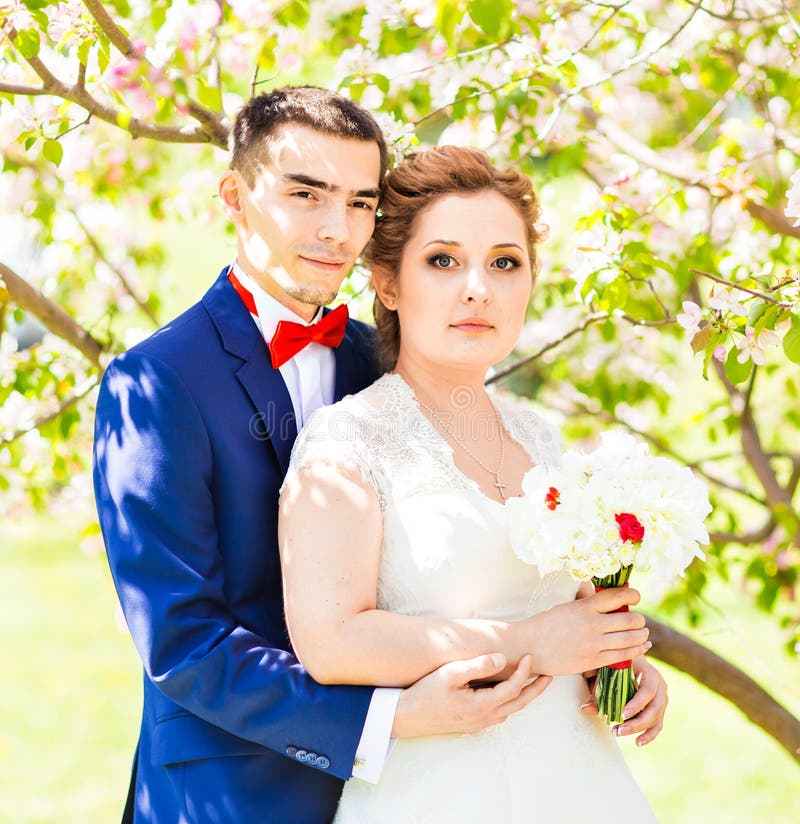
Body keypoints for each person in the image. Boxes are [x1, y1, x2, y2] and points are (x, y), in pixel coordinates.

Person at [93, 87, 563, 824]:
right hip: (233, 786)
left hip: (422, 780)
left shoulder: (383, 359)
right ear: (235, 195)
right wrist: (386, 720)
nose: (335, 230)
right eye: (306, 194)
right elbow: (182, 643)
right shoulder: (155, 381)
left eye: (358, 204)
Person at [279, 146, 665, 822]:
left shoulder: (539, 436)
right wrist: (526, 642)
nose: (477, 288)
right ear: (388, 284)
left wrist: (618, 661)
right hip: (438, 790)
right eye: (444, 261)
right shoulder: (347, 442)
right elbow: (331, 643)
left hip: (581, 784)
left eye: (504, 263)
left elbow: (571, 610)